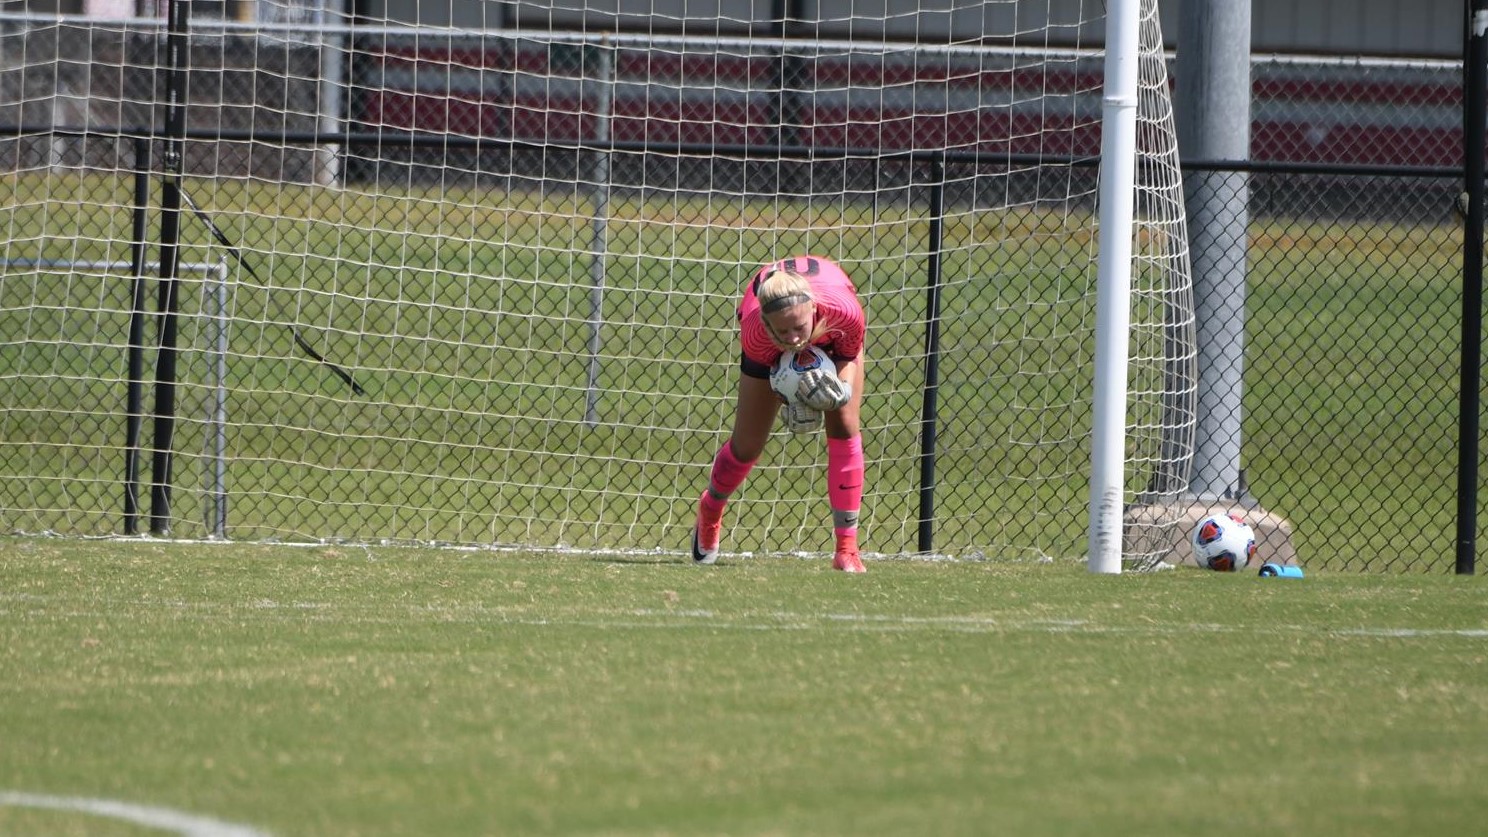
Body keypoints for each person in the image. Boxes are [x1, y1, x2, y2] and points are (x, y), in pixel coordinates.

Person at [691, 255, 868, 573]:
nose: (794, 339)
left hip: (830, 332)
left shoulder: (846, 314)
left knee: (844, 422)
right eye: (783, 331)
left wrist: (840, 391)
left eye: (799, 327)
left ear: (813, 308)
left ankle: (847, 549)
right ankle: (711, 509)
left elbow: (849, 356)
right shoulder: (757, 335)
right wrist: (793, 398)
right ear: (768, 324)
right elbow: (778, 377)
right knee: (747, 445)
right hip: (768, 347)